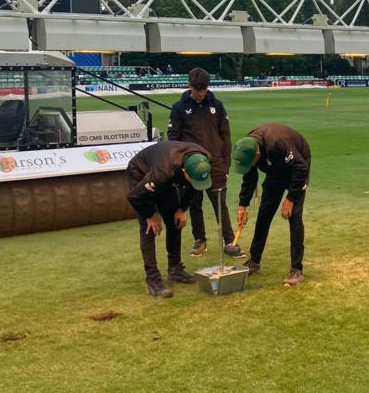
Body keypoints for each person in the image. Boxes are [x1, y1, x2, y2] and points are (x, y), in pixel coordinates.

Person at [168, 68, 243, 259]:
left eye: (204, 90)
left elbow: (225, 135)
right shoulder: (178, 108)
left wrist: (225, 164)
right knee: (194, 203)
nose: (201, 94)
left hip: (216, 163)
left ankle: (229, 241)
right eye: (197, 90)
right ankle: (200, 240)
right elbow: (173, 139)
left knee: (220, 203)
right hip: (190, 165)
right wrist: (181, 165)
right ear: (189, 85)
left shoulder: (217, 105)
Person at [126, 141, 213, 298]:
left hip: (168, 177)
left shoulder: (202, 160)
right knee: (149, 229)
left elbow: (195, 186)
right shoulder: (163, 172)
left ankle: (175, 270)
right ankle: (152, 279)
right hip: (141, 173)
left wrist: (181, 209)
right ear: (184, 170)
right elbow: (134, 196)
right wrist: (150, 214)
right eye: (190, 178)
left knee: (175, 221)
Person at [231, 124, 311, 286]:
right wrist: (242, 206)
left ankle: (297, 269)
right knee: (264, 214)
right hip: (275, 167)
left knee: (294, 216)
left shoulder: (277, 143)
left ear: (258, 153)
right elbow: (249, 177)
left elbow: (301, 168)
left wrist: (290, 198)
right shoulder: (247, 145)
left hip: (297, 165)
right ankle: (254, 261)